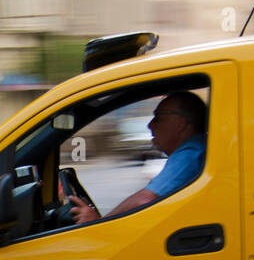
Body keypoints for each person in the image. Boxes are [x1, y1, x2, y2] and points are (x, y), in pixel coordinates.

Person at [69, 91, 207, 224]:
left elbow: (145, 200)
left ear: (180, 124)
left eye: (158, 118)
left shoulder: (190, 154)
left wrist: (99, 222)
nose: (150, 125)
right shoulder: (196, 149)